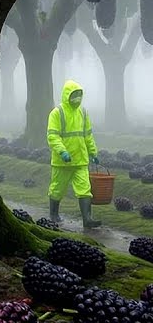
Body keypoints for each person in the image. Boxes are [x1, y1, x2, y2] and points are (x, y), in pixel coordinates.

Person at [47, 79, 101, 228]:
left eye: (79, 94)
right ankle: (53, 214)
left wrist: (93, 152)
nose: (77, 97)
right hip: (62, 161)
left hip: (80, 160)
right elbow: (53, 136)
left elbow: (88, 135)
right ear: (67, 95)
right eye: (74, 94)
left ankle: (87, 219)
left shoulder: (83, 112)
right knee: (57, 189)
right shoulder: (57, 113)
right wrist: (62, 152)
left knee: (85, 190)